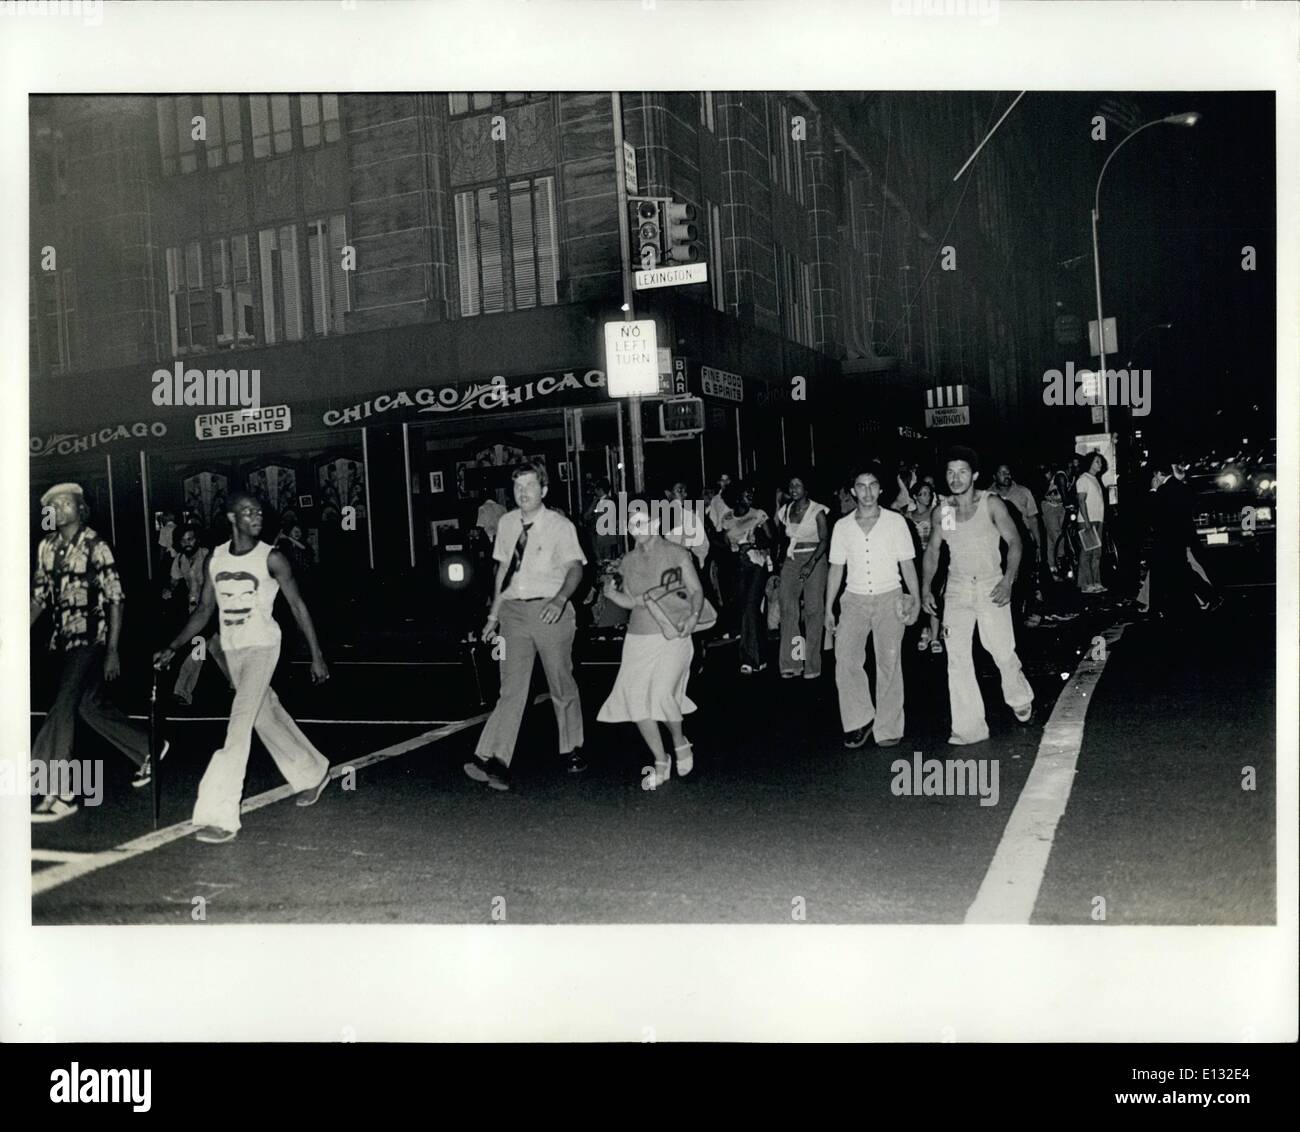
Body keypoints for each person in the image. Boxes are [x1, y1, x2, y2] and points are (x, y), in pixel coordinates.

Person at [152, 491, 333, 844]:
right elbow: (204, 611)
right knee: (264, 716)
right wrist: (173, 646)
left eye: (259, 512)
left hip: (263, 647)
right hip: (232, 650)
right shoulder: (215, 559)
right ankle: (313, 772)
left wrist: (317, 655)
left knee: (238, 726)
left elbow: (297, 607)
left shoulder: (273, 558)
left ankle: (219, 815)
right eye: (247, 512)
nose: (256, 516)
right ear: (232, 518)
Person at [30, 484, 160, 821]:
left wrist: (113, 649)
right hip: (64, 641)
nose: (58, 508)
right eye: (52, 504)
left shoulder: (96, 545)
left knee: (63, 703)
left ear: (80, 508)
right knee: (86, 705)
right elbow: (40, 597)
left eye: (65, 503)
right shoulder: (46, 547)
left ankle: (59, 792)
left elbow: (116, 598)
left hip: (94, 637)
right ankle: (147, 749)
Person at [464, 460, 588, 791]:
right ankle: (496, 759)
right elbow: (502, 571)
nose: (523, 493)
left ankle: (572, 746)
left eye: (530, 486)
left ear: (544, 490)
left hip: (551, 610)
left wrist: (561, 599)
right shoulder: (505, 524)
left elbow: (576, 569)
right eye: (518, 487)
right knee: (512, 688)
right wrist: (493, 615)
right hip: (514, 614)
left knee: (560, 682)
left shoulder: (559, 526)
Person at [922, 447, 1034, 746]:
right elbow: (935, 551)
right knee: (956, 657)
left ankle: (1019, 695)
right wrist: (925, 588)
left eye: (961, 472)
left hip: (990, 584)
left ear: (973, 475)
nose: (955, 478)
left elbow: (1015, 543)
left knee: (1000, 650)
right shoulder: (944, 512)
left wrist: (1008, 581)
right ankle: (969, 727)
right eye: (950, 472)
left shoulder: (991, 504)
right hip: (958, 588)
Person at [597, 508, 704, 786]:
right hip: (638, 637)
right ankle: (660, 759)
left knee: (660, 695)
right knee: (635, 700)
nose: (636, 528)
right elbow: (634, 602)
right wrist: (612, 595)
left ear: (655, 523)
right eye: (631, 524)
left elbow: (695, 590)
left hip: (674, 634)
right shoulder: (628, 561)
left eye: (641, 522)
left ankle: (680, 742)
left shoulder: (676, 553)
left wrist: (693, 617)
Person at [824, 464, 921, 749]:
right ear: (853, 491)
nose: (867, 492)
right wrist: (829, 607)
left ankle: (889, 726)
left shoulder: (896, 522)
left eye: (872, 485)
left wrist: (913, 598)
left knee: (888, 662)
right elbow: (835, 569)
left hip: (889, 596)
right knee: (846, 661)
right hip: (853, 600)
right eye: (861, 486)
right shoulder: (842, 526)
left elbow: (907, 564)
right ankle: (859, 720)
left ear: (880, 489)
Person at [167, 526, 231, 706]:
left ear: (198, 539)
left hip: (211, 610)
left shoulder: (208, 556)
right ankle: (239, 684)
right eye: (183, 540)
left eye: (191, 539)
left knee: (198, 647)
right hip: (193, 612)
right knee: (215, 649)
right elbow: (173, 581)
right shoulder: (179, 560)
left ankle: (182, 692)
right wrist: (168, 590)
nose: (187, 543)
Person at [774, 473, 830, 680]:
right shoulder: (787, 510)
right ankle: (792, 662)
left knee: (814, 610)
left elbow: (824, 540)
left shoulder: (817, 511)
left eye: (798, 485)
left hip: (815, 558)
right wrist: (777, 501)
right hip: (792, 558)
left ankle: (812, 665)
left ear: (807, 489)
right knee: (788, 608)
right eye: (791, 485)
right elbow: (779, 532)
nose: (794, 489)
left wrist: (811, 564)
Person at [719, 481, 774, 673]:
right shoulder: (726, 518)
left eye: (751, 492)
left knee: (751, 605)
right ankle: (762, 654)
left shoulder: (758, 514)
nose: (750, 494)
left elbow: (772, 539)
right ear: (735, 497)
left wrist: (758, 539)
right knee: (746, 609)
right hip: (739, 565)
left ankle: (750, 659)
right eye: (746, 493)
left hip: (757, 562)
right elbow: (726, 545)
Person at [908, 482, 944, 653]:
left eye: (929, 493)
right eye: (922, 493)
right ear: (915, 497)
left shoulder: (939, 512)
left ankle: (936, 636)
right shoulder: (906, 516)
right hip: (915, 561)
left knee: (934, 593)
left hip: (934, 560)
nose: (927, 497)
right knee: (918, 594)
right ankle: (925, 630)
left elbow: (950, 537)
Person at [1075, 451, 1107, 593]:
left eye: (1100, 461)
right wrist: (1087, 522)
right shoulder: (1083, 479)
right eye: (1097, 461)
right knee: (1087, 553)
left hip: (1097, 520)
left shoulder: (1094, 479)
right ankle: (1085, 584)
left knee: (1096, 553)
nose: (1100, 464)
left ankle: (1096, 582)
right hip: (1088, 521)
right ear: (1089, 463)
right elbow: (1081, 501)